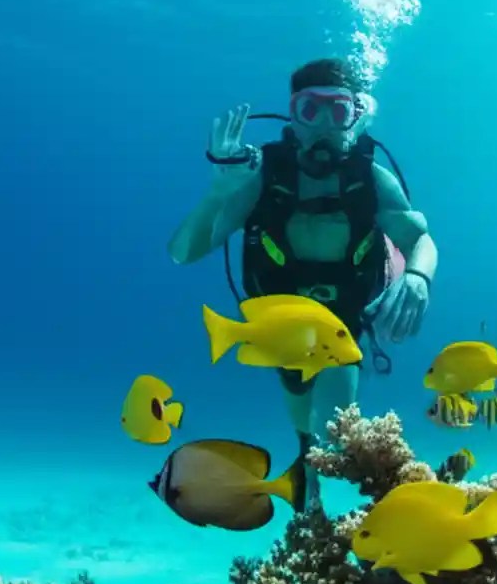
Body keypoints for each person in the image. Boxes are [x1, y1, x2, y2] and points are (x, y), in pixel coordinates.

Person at [168, 58, 438, 510]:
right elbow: (184, 252)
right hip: (281, 323)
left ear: (357, 116)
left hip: (345, 317)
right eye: (312, 111)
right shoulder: (261, 176)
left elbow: (421, 240)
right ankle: (307, 462)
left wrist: (417, 277)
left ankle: (321, 506)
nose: (325, 128)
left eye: (339, 112)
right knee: (300, 403)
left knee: (333, 423)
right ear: (293, 115)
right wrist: (218, 192)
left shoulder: (370, 177)